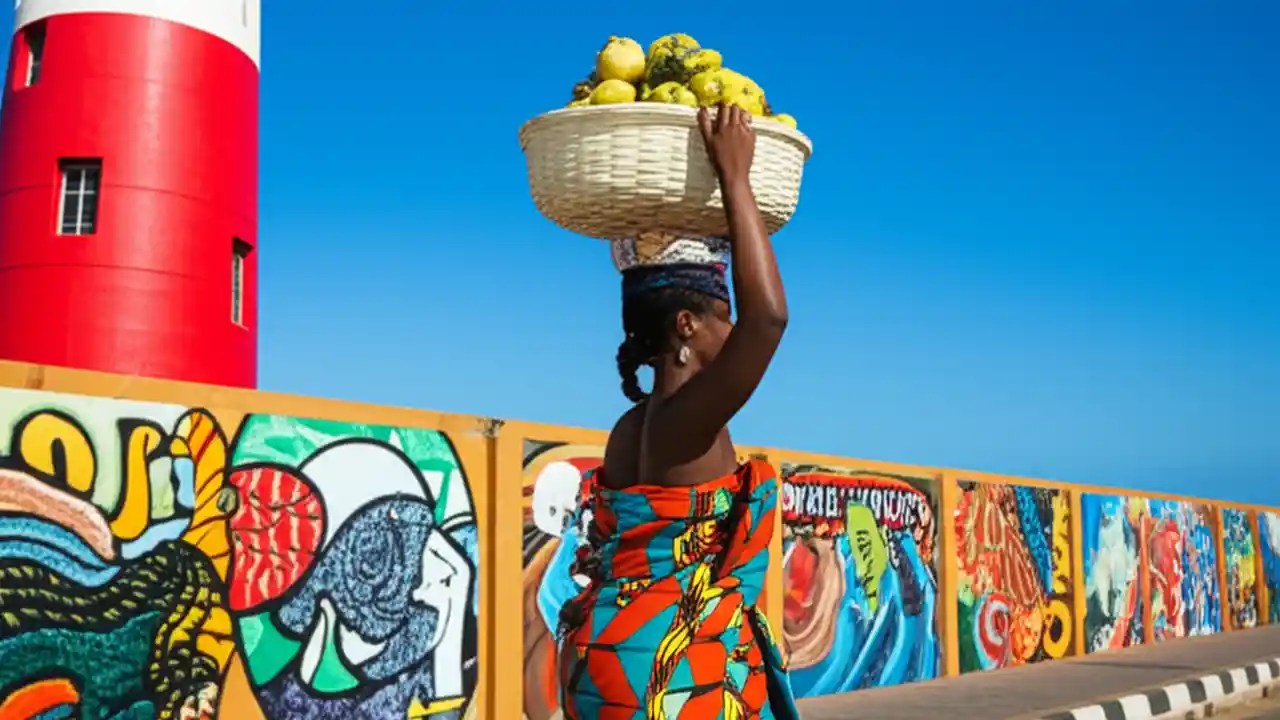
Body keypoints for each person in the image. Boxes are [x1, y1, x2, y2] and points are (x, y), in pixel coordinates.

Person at [557, 103, 799, 720]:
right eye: (724, 318)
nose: (734, 330)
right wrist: (735, 178)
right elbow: (768, 319)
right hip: (671, 672)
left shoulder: (631, 430)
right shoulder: (683, 422)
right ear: (687, 325)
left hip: (613, 657)